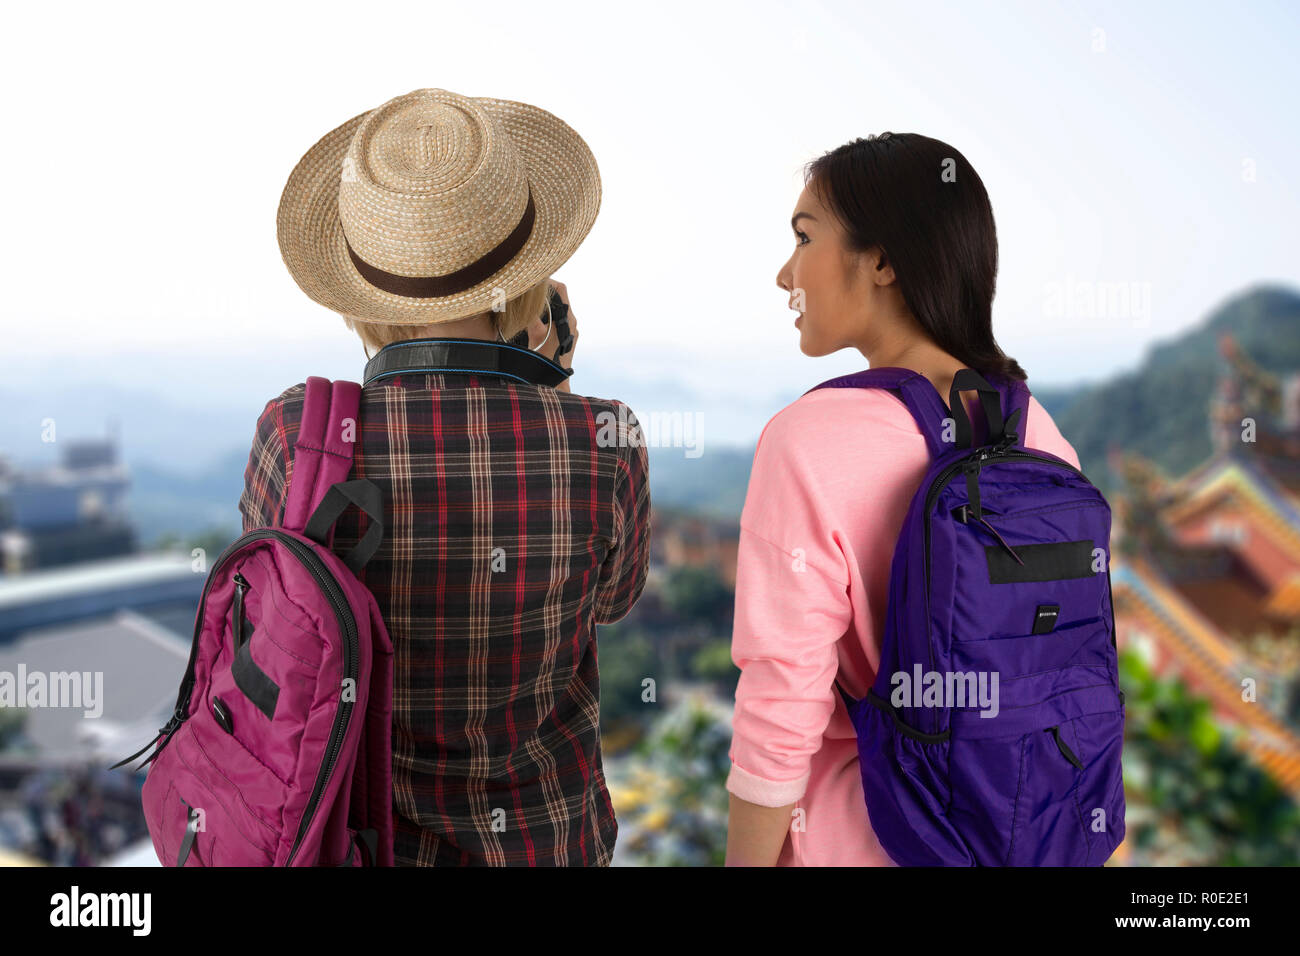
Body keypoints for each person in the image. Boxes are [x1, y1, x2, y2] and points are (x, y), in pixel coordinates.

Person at [241, 88, 651, 866]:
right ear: (531, 278)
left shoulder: (297, 436)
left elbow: (270, 635)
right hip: (547, 845)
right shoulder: (607, 440)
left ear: (364, 292)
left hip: (352, 846)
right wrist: (553, 394)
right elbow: (613, 601)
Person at [724, 132, 1082, 866]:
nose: (783, 273)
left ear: (883, 260)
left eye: (803, 237)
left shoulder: (807, 439)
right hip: (1019, 831)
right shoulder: (1041, 435)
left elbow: (781, 705)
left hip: (861, 835)